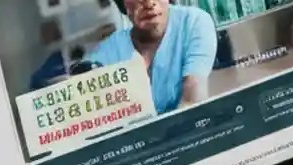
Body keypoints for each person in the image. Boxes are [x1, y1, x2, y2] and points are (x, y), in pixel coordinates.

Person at [87, 0, 218, 114]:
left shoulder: (193, 22)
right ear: (123, 3)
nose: (149, 3)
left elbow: (192, 102)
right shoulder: (105, 53)